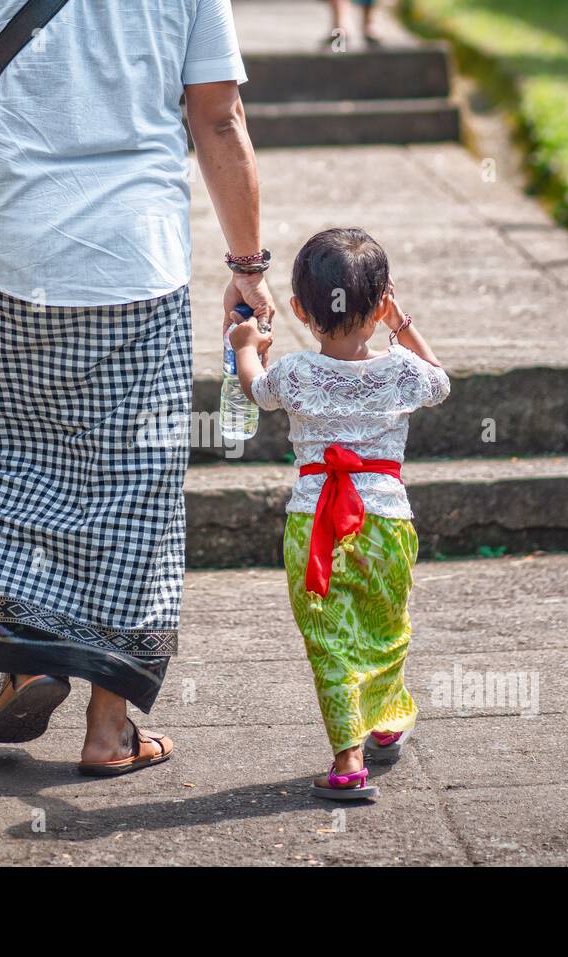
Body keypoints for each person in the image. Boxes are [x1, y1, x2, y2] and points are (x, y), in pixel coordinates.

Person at [0, 0, 276, 776]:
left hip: (14, 259)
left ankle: (26, 660)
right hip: (137, 262)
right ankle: (109, 728)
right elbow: (218, 120)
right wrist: (248, 267)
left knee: (9, 459)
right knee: (137, 483)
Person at [228, 227, 448, 800]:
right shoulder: (401, 371)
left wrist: (247, 344)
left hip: (313, 524)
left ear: (300, 308)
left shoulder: (297, 373)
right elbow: (441, 381)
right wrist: (402, 324)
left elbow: (255, 388)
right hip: (387, 524)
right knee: (386, 624)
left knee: (328, 640)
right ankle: (386, 713)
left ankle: (348, 760)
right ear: (380, 304)